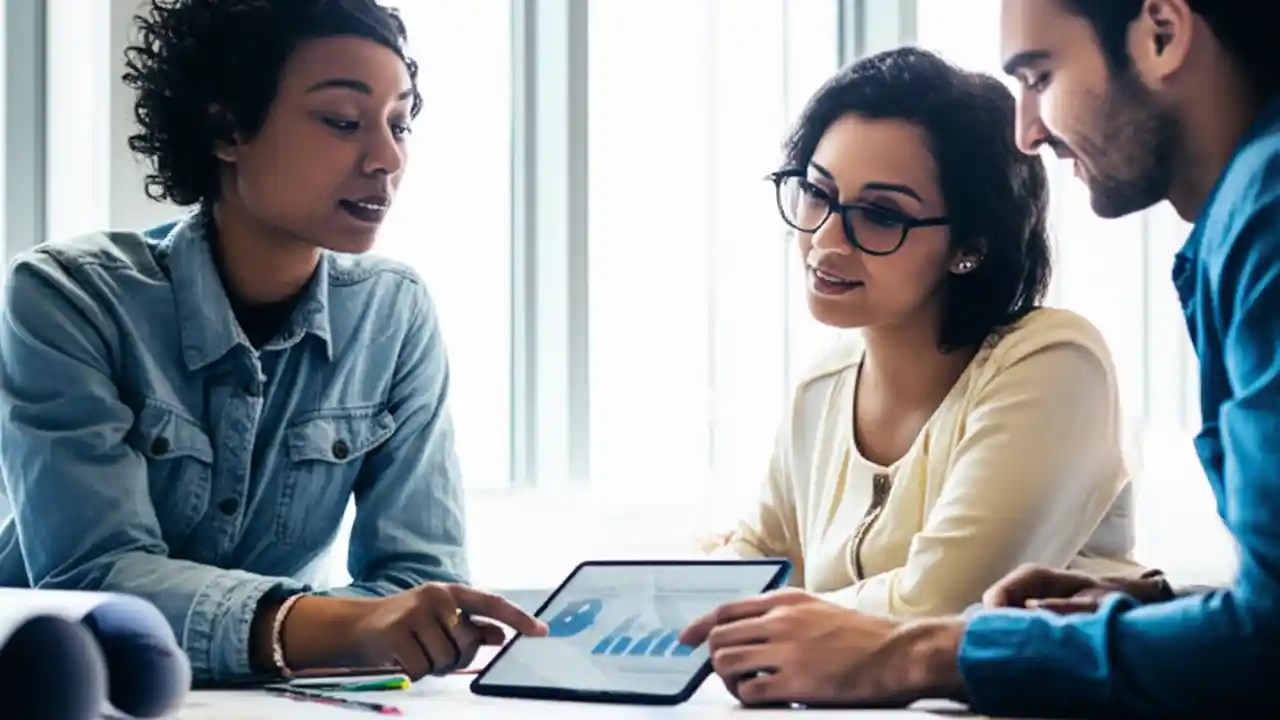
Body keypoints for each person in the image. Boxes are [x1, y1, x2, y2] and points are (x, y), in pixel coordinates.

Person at [681, 0, 1280, 716]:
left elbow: (1266, 640)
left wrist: (921, 650)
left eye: (1041, 76)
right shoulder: (1240, 226)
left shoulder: (1262, 220)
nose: (1028, 133)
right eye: (815, 193)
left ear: (1162, 33)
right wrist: (1155, 606)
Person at [0, 0, 545, 686]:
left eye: (400, 123)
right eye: (342, 121)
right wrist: (338, 627)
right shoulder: (68, 296)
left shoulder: (392, 312)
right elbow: (93, 577)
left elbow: (418, 578)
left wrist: (365, 627)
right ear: (227, 128)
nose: (386, 158)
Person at [705, 46, 1141, 619]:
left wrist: (759, 615)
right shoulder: (823, 387)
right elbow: (752, 563)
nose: (826, 239)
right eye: (816, 193)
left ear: (969, 246)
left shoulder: (1056, 363)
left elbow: (940, 604)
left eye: (881, 214)